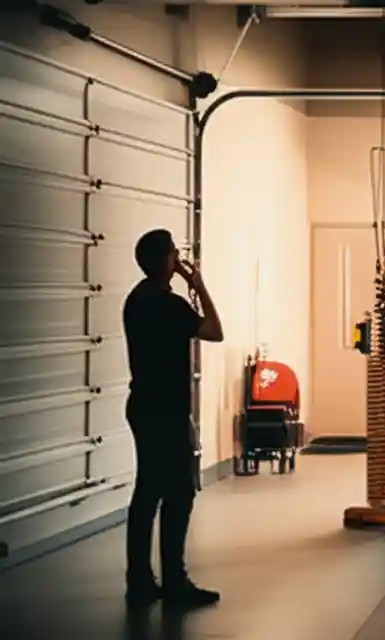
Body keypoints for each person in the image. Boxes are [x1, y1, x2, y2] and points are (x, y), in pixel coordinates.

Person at [122, 229, 224, 608]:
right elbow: (215, 330)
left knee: (147, 492)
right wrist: (197, 283)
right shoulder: (171, 305)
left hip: (142, 407)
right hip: (168, 412)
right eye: (174, 255)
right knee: (179, 494)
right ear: (167, 261)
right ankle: (175, 580)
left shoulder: (135, 300)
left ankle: (140, 580)